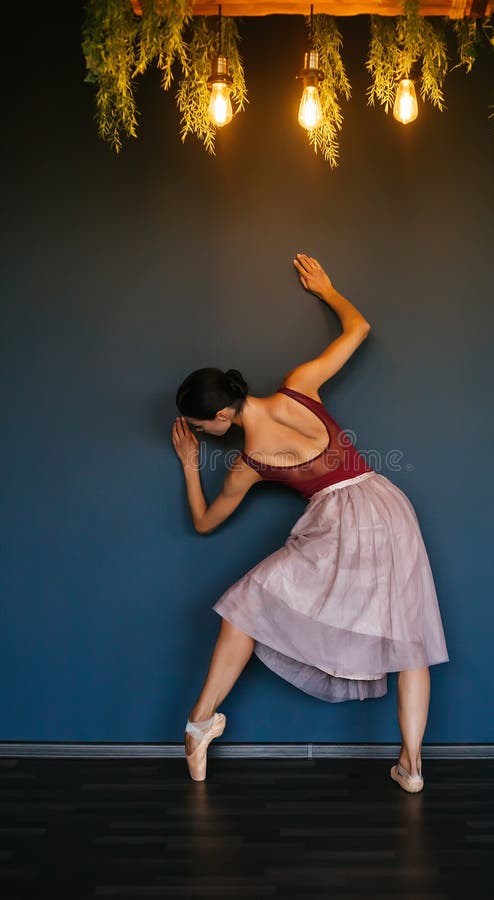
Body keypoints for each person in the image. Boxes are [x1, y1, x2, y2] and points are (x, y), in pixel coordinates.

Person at [172, 252, 449, 791]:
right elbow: (360, 326)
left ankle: (200, 719)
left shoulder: (246, 464)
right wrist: (327, 290)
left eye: (201, 427)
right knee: (409, 634)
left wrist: (189, 468)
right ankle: (411, 766)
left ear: (223, 415)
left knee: (246, 604)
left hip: (342, 523)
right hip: (388, 502)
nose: (202, 434)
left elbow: (205, 523)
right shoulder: (299, 384)